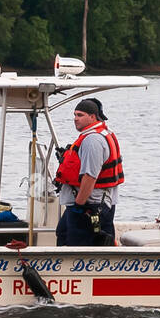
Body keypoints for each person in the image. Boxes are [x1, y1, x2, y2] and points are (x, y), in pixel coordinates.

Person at [53, 98, 123, 246]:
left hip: (90, 206)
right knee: (63, 233)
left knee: (78, 246)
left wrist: (79, 206)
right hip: (89, 203)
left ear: (93, 117)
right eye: (75, 115)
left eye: (80, 115)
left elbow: (90, 177)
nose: (75, 119)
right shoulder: (101, 133)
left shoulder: (93, 141)